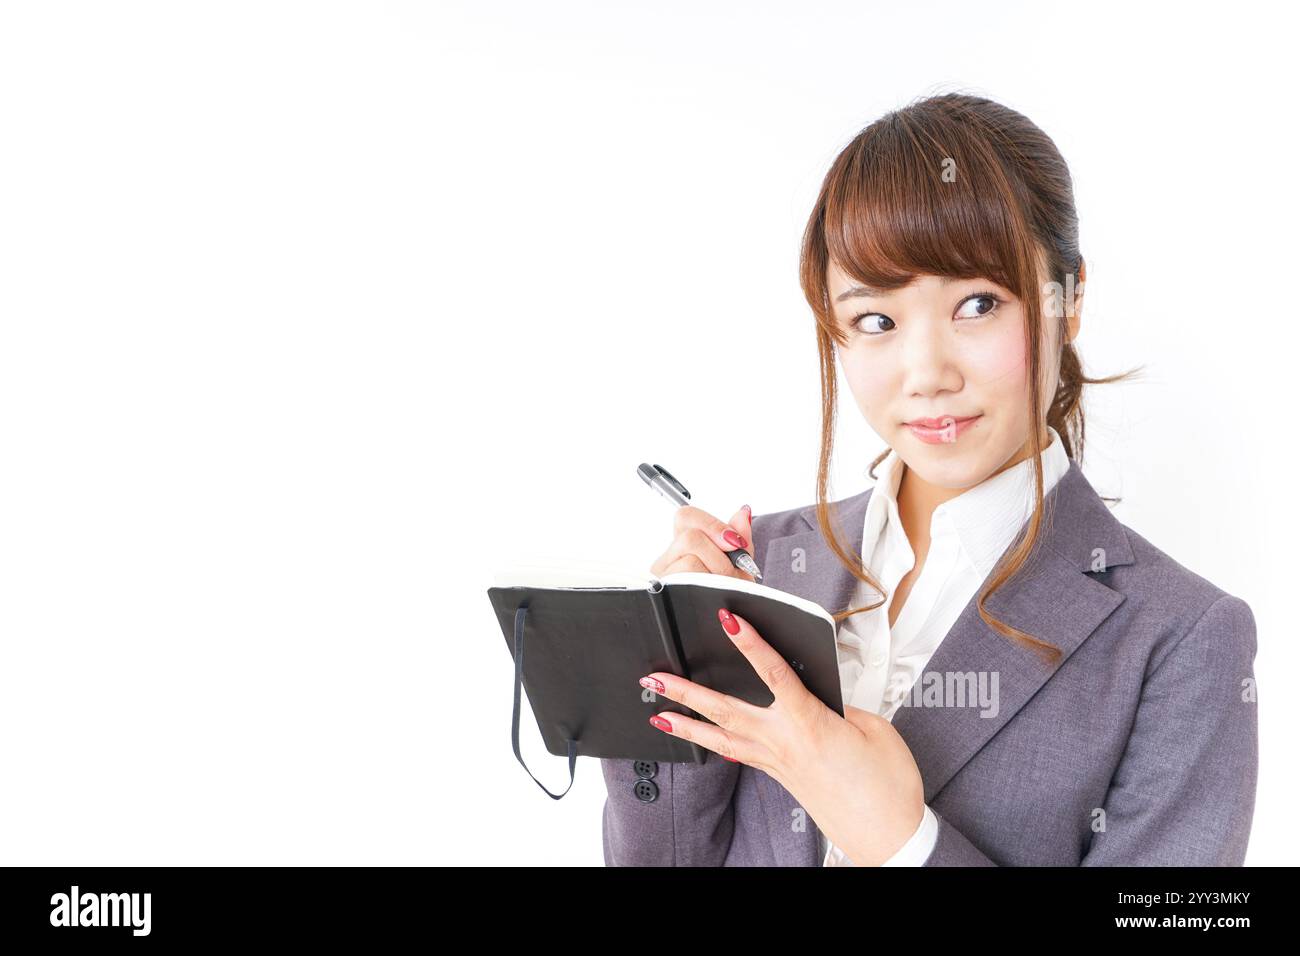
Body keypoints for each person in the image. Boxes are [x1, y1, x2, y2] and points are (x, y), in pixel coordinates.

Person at [600, 92, 1259, 866]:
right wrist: (659, 668)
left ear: (1069, 298)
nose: (927, 375)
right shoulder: (762, 568)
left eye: (978, 304)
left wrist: (899, 839)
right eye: (877, 320)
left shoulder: (1181, 639)